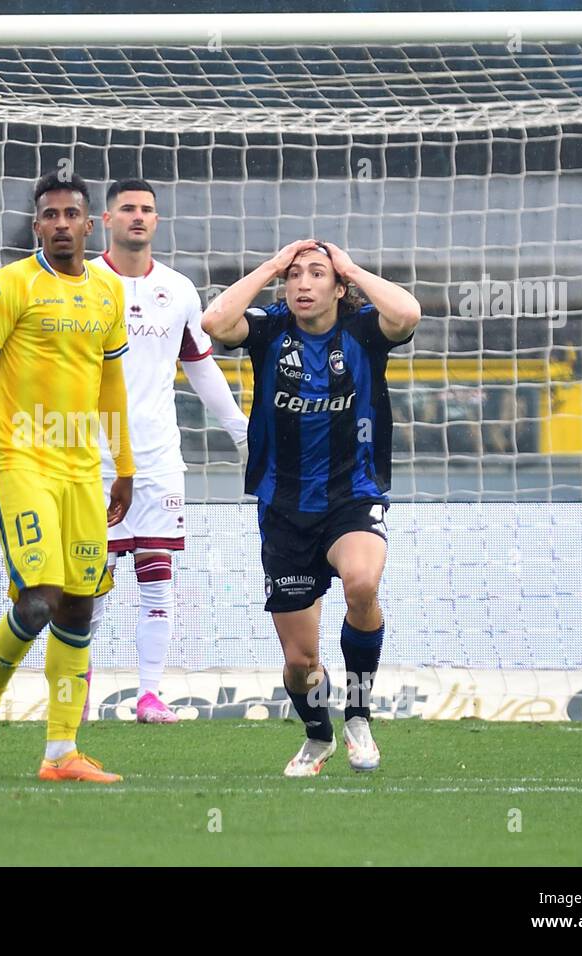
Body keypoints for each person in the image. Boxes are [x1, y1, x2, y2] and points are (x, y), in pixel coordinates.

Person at [202, 239, 420, 776]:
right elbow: (213, 322)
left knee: (362, 584)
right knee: (301, 665)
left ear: (338, 287)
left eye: (316, 274)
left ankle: (359, 716)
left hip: (353, 496)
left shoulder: (365, 332)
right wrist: (272, 265)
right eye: (294, 275)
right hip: (284, 508)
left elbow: (408, 312)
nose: (302, 283)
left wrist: (351, 266)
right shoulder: (270, 329)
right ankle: (317, 735)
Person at [0, 171, 134, 784]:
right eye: (50, 215)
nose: (61, 224)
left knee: (80, 606)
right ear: (37, 226)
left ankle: (60, 753)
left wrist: (124, 467)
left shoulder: (108, 294)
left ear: (90, 224)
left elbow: (112, 385)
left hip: (83, 468)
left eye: (71, 214)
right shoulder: (11, 285)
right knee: (39, 599)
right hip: (21, 461)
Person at [88, 178, 249, 723]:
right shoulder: (83, 282)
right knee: (92, 580)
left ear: (157, 221)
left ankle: (150, 694)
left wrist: (239, 430)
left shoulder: (179, 289)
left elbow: (201, 367)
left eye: (147, 210)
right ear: (106, 220)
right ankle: (77, 692)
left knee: (157, 575)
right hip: (92, 458)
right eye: (127, 209)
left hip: (157, 457)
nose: (138, 217)